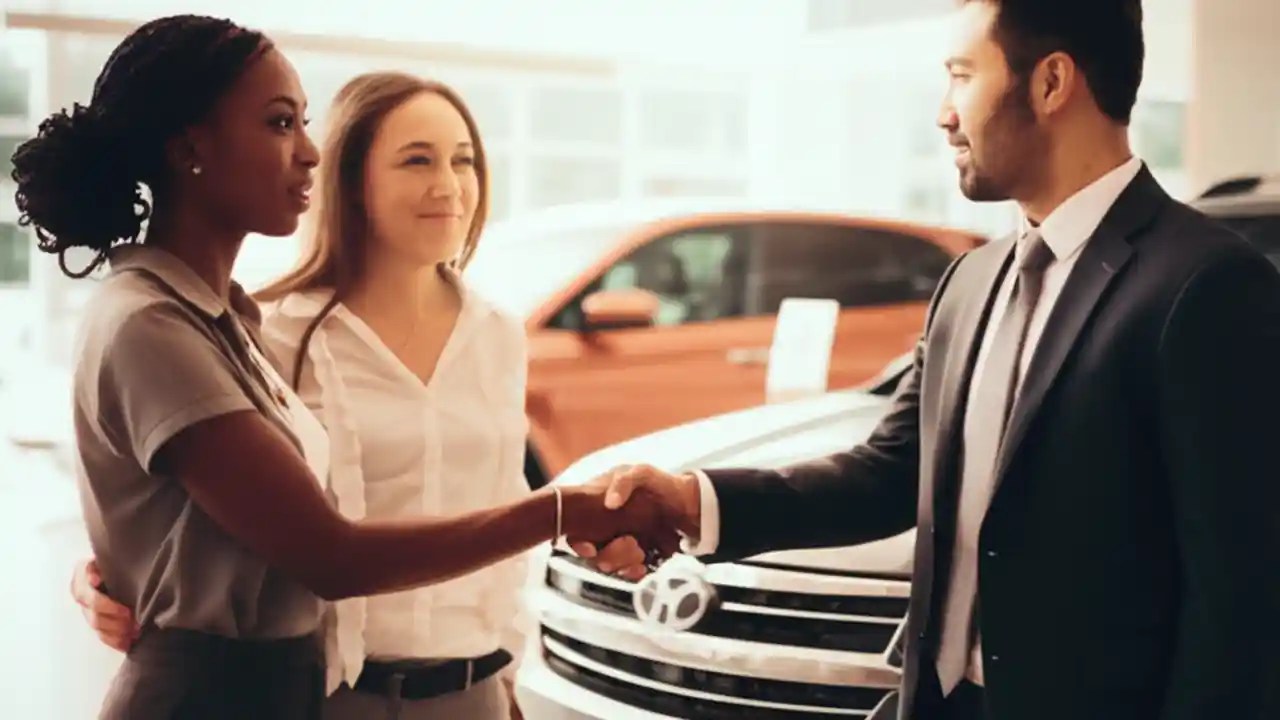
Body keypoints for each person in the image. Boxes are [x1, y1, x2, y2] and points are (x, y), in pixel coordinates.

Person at [578, 1, 1280, 719]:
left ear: (1051, 82)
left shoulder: (1210, 286)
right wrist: (690, 499)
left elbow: (1241, 600)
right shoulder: (971, 280)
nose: (945, 115)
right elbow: (889, 473)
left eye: (962, 76)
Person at [12, 15, 670, 719]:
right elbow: (326, 554)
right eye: (279, 123)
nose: (309, 153)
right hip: (256, 693)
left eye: (463, 159)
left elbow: (195, 520)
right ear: (190, 148)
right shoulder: (162, 322)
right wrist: (564, 509)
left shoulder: (227, 320)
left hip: (326, 690)